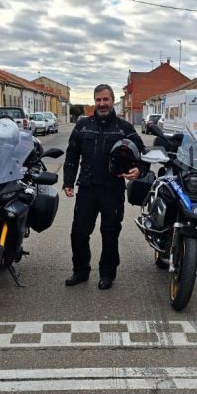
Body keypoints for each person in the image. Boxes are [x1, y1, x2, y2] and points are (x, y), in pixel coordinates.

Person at [62, 84, 145, 290]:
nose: (102, 104)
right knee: (79, 232)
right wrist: (68, 182)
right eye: (98, 100)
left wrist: (139, 170)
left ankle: (107, 274)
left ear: (112, 100)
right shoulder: (83, 126)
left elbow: (142, 152)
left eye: (106, 99)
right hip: (87, 188)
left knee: (110, 234)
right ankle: (80, 271)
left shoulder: (124, 128)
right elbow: (72, 155)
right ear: (94, 102)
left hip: (112, 190)